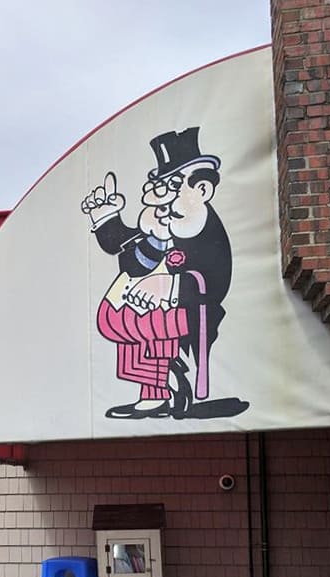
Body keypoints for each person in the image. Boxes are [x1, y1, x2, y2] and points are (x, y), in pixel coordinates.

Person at [81, 127, 232, 419]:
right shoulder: (160, 228)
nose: (159, 199)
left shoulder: (205, 232)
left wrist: (172, 286)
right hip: (142, 302)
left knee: (152, 324)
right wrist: (106, 218)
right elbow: (127, 252)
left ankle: (158, 394)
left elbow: (214, 277)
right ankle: (162, 383)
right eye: (158, 185)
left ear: (202, 190)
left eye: (172, 185)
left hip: (189, 308)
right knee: (113, 319)